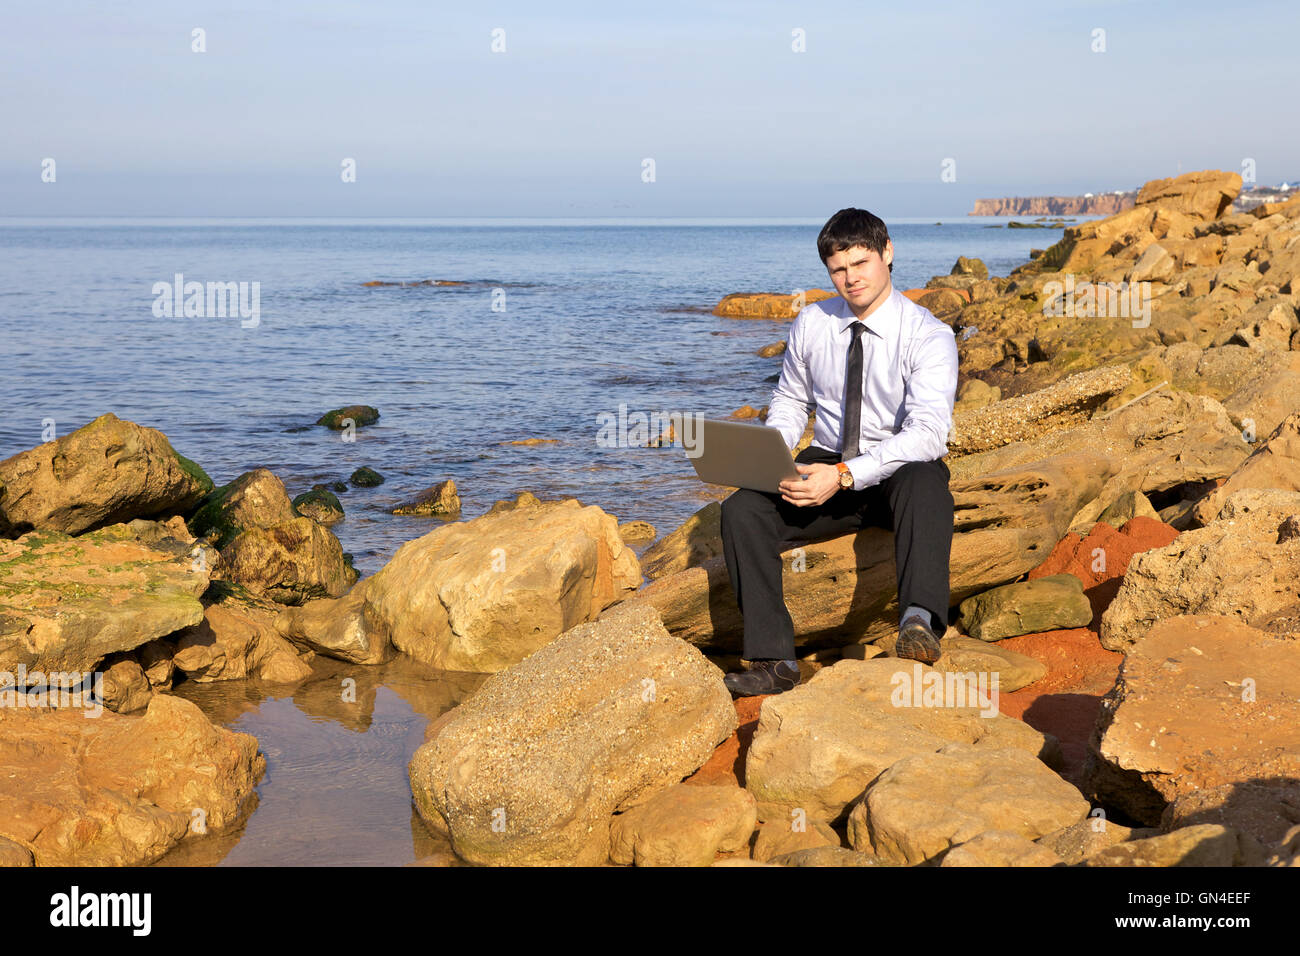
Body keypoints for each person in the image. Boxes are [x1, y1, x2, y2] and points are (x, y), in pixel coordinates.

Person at [719, 207, 959, 698]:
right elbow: (790, 400)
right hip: (825, 461)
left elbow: (930, 432)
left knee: (926, 480)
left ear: (888, 253)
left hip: (895, 472)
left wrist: (848, 473)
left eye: (861, 263)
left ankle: (919, 622)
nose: (851, 278)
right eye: (838, 269)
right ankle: (775, 660)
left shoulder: (928, 334)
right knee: (742, 510)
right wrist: (774, 451)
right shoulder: (813, 322)